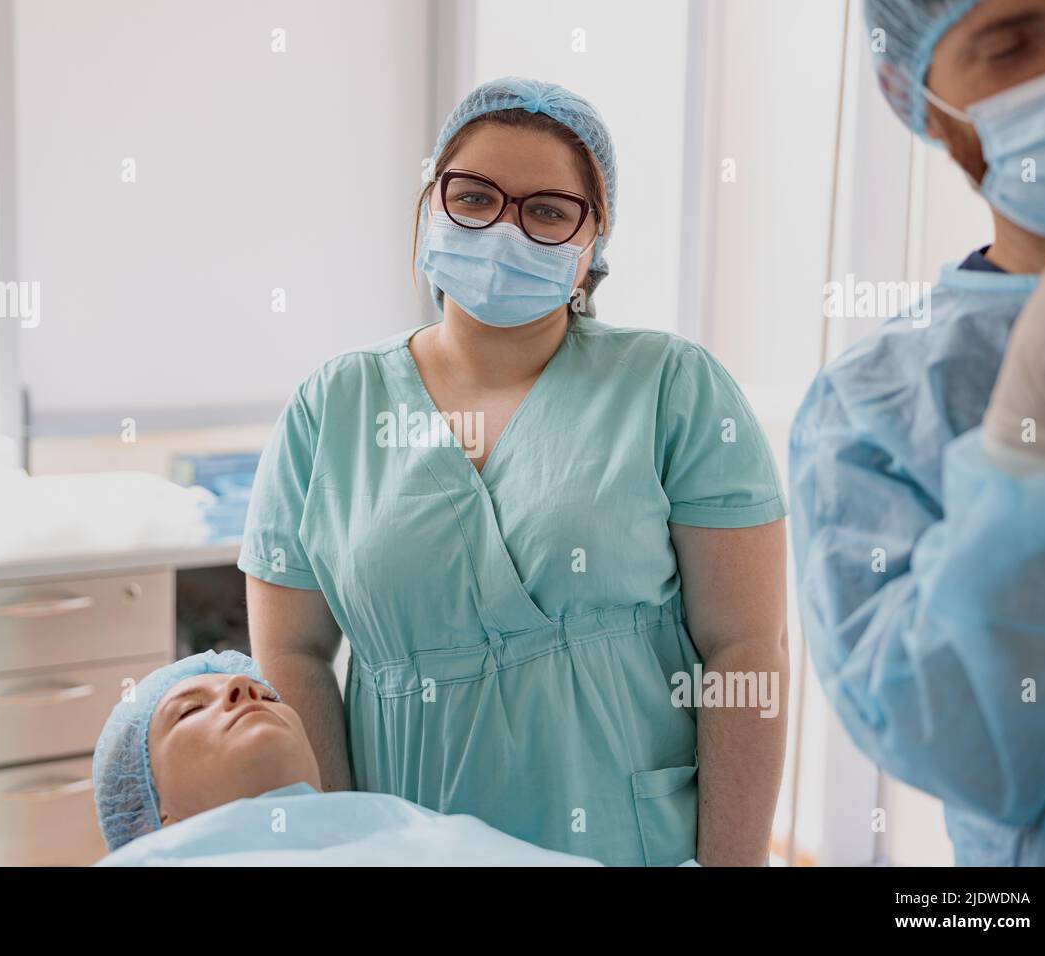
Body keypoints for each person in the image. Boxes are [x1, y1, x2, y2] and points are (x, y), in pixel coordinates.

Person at [238, 77, 789, 867]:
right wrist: (343, 847)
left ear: (592, 243)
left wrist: (735, 862)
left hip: (630, 841)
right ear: (432, 203)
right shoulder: (334, 405)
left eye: (547, 210)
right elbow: (292, 656)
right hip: (407, 840)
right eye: (475, 197)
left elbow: (745, 648)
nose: (505, 229)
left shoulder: (672, 387)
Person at [791, 0, 1045, 865]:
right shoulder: (872, 409)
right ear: (914, 97)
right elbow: (955, 742)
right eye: (1014, 42)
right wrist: (1035, 457)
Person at [91, 651, 600, 865]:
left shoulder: (434, 837)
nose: (245, 688)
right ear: (156, 818)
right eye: (190, 711)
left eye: (266, 695)